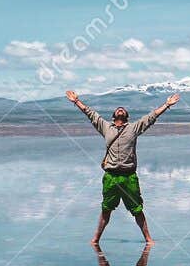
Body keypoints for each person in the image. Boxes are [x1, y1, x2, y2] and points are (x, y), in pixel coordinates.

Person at [66, 89, 179, 246]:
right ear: (113, 116)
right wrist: (76, 101)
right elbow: (90, 113)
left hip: (128, 176)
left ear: (126, 116)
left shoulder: (133, 128)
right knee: (106, 209)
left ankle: (148, 239)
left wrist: (167, 105)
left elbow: (151, 117)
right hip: (111, 176)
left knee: (137, 209)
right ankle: (95, 239)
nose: (120, 109)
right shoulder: (106, 127)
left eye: (123, 109)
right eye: (118, 109)